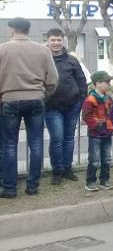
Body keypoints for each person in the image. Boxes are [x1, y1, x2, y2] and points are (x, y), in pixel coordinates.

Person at [0, 18, 59, 198]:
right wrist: (43, 95)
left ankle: (10, 187)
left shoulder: (2, 49)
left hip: (9, 99)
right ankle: (33, 186)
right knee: (36, 144)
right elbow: (53, 79)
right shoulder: (43, 50)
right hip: (36, 99)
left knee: (9, 145)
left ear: (12, 30)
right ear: (28, 30)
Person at [44, 28, 88, 185]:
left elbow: (82, 80)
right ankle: (57, 171)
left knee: (68, 138)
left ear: (63, 41)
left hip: (72, 105)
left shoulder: (72, 60)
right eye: (53, 40)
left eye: (58, 40)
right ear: (47, 41)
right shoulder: (43, 59)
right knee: (57, 139)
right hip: (51, 107)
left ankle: (67, 169)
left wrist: (82, 100)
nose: (56, 43)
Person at [82, 71, 113, 191]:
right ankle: (91, 181)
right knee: (94, 159)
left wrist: (112, 125)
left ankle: (104, 180)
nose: (109, 84)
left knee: (106, 158)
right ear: (97, 83)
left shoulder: (109, 99)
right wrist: (98, 125)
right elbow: (87, 116)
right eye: (107, 82)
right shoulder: (90, 100)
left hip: (107, 133)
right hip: (95, 134)